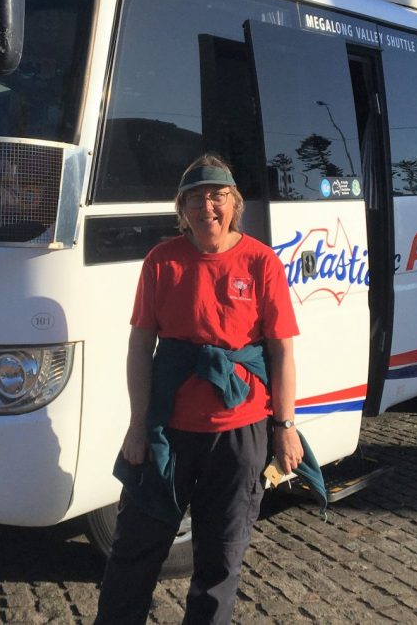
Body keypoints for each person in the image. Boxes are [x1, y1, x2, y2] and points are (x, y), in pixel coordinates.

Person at [95, 153, 320, 625]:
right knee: (135, 549)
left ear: (233, 203)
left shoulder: (261, 262)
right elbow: (141, 347)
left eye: (217, 196)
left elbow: (282, 353)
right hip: (167, 433)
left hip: (240, 437)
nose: (207, 207)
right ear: (182, 209)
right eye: (195, 198)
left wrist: (285, 427)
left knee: (220, 561)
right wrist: (137, 427)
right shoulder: (162, 262)